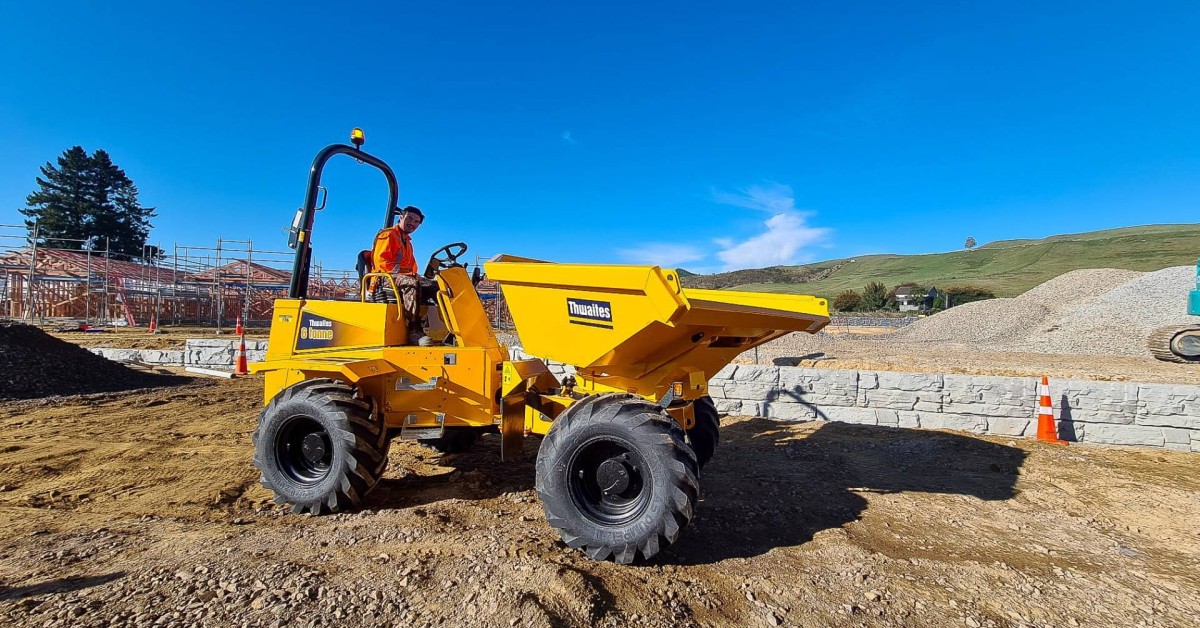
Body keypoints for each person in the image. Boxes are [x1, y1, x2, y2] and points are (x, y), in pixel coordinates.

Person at [371, 205, 432, 346]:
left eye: (417, 222)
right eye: (409, 218)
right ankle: (414, 331)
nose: (412, 223)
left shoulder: (408, 243)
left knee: (435, 286)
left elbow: (412, 267)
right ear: (401, 217)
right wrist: (409, 275)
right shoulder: (388, 235)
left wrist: (416, 276)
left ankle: (450, 330)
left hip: (400, 277)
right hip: (383, 278)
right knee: (411, 284)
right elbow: (382, 263)